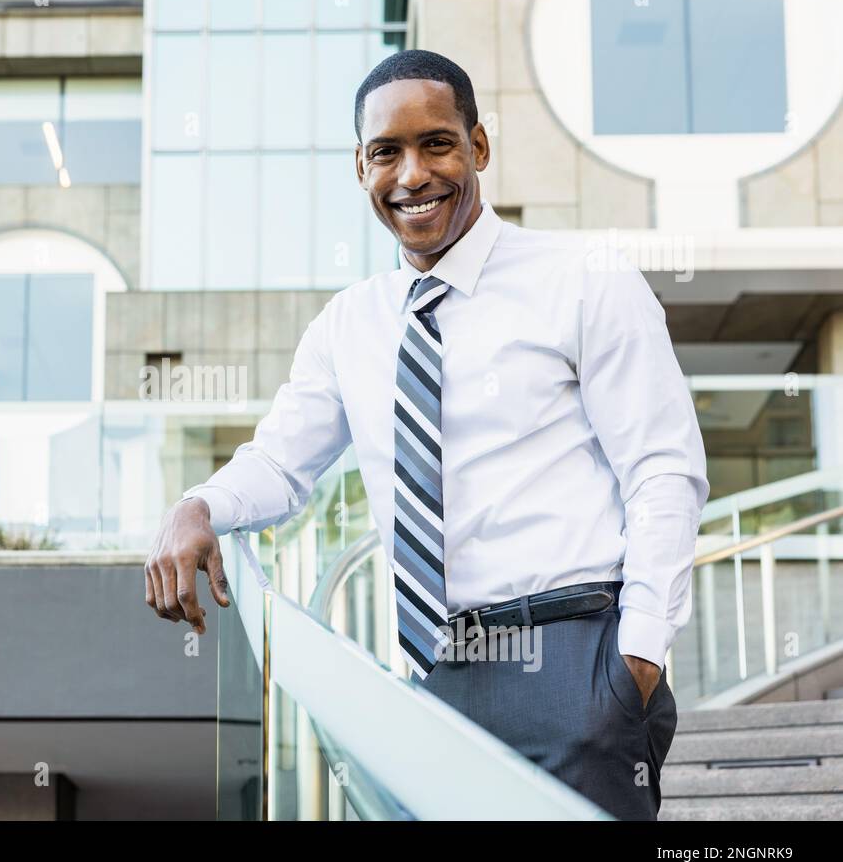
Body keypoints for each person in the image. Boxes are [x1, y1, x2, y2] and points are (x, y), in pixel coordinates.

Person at [142, 49, 708, 820]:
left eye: (436, 143)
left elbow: (663, 472)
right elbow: (279, 462)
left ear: (478, 147)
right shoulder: (351, 323)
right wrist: (196, 506)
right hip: (433, 685)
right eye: (387, 152)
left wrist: (634, 663)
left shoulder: (583, 279)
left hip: (575, 664)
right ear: (361, 166)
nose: (412, 174)